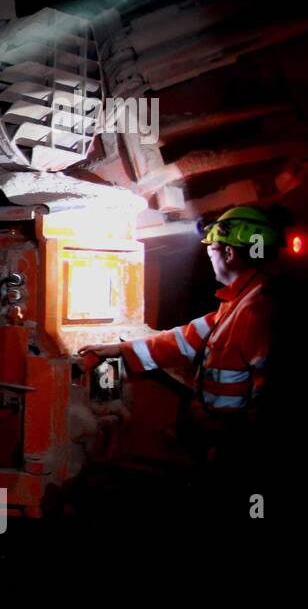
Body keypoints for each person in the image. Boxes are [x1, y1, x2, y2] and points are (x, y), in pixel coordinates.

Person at [79, 205, 283, 484]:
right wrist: (122, 350)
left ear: (229, 253)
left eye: (211, 250)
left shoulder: (257, 312)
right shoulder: (240, 303)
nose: (209, 259)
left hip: (236, 447)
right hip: (222, 438)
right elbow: (186, 339)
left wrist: (233, 443)